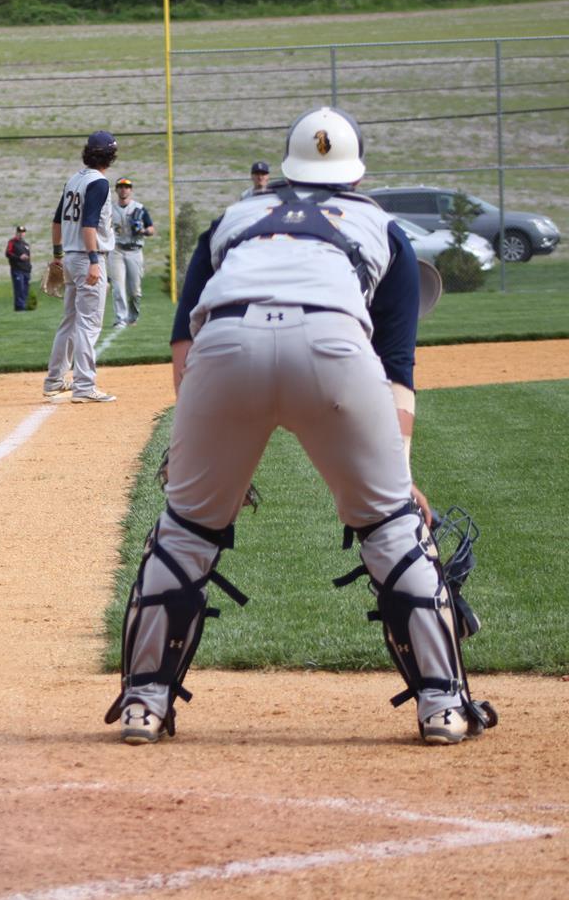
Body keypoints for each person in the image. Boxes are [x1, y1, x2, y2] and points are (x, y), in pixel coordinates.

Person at [105, 106, 496, 747]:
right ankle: (443, 707)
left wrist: (193, 445)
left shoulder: (234, 218)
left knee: (186, 530)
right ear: (358, 173)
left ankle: (144, 704)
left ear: (286, 169)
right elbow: (396, 369)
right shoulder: (381, 226)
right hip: (332, 347)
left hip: (225, 348)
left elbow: (184, 343)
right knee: (390, 528)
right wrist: (399, 475)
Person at [43, 130, 118, 403]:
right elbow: (89, 225)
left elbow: (56, 222)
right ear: (110, 155)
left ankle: (54, 380)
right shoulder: (99, 183)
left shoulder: (74, 179)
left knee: (70, 321)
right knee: (88, 324)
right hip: (88, 258)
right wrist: (95, 261)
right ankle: (84, 386)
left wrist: (57, 255)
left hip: (70, 258)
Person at [107, 178, 155, 328]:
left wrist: (143, 231)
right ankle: (120, 319)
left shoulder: (138, 208)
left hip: (134, 250)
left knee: (134, 291)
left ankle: (133, 317)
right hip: (117, 250)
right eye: (121, 186)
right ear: (116, 189)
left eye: (126, 187)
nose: (123, 189)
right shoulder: (110, 209)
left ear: (131, 190)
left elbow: (151, 228)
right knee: (118, 287)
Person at [5, 224, 33, 311]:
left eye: (22, 232)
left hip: (26, 269)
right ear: (16, 233)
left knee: (25, 288)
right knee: (19, 288)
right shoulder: (12, 242)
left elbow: (29, 257)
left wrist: (29, 267)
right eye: (19, 232)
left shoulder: (26, 244)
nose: (21, 234)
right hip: (17, 269)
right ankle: (20, 307)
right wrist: (19, 257)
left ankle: (24, 305)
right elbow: (8, 253)